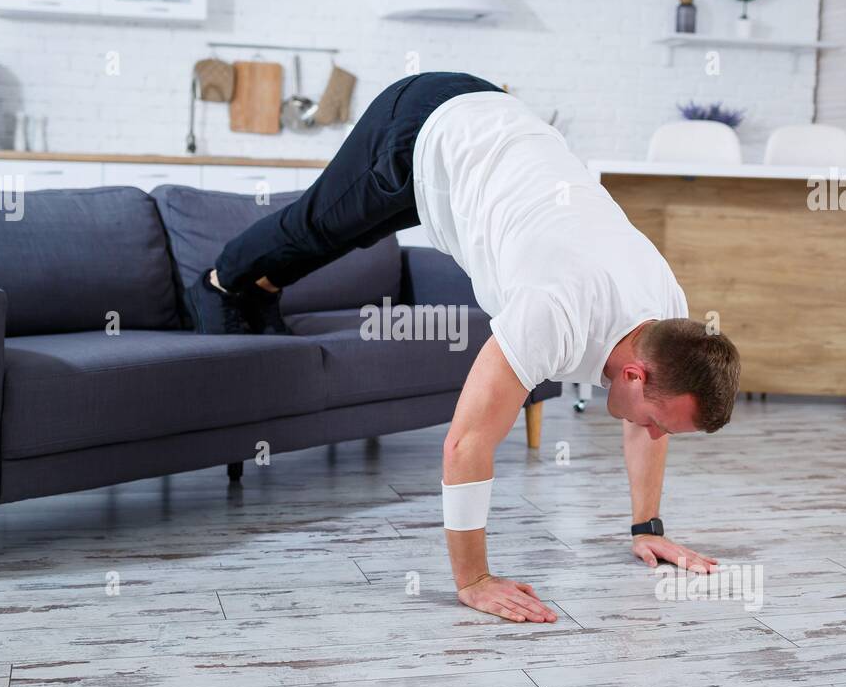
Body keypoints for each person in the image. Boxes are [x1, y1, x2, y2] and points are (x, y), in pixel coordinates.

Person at [188, 72, 742, 624]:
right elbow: (465, 444)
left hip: (485, 136)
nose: (653, 432)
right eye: (660, 423)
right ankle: (218, 281)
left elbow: (646, 417)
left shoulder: (665, 321)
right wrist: (473, 580)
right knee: (318, 229)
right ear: (635, 376)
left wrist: (648, 529)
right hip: (420, 125)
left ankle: (263, 290)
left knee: (356, 232)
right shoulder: (554, 309)